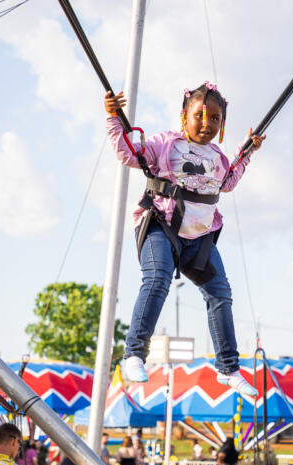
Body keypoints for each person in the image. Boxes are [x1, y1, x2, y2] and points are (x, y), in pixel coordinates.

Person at [105, 83, 265, 396]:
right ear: (184, 116)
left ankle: (228, 368)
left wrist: (246, 152)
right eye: (200, 116)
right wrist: (113, 117)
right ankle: (134, 353)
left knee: (221, 293)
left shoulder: (218, 157)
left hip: (199, 238)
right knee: (157, 278)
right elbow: (128, 153)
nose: (207, 123)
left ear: (222, 124)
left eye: (215, 119)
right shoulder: (166, 144)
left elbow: (228, 181)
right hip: (160, 226)